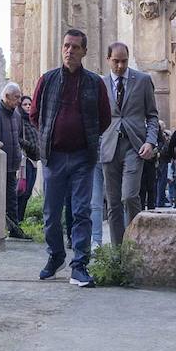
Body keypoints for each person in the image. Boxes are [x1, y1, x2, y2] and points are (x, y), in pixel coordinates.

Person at [28, 29, 111, 288]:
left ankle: (79, 265)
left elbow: (104, 118)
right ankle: (56, 257)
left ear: (84, 51)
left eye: (75, 47)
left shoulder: (93, 83)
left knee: (81, 211)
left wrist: (87, 138)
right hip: (54, 157)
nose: (70, 51)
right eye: (66, 46)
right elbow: (34, 114)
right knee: (51, 213)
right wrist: (48, 138)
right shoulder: (48, 80)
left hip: (82, 159)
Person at [99, 42, 158, 246]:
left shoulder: (142, 80)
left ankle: (136, 245)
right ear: (108, 60)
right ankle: (118, 254)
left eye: (124, 61)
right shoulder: (101, 83)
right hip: (109, 147)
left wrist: (151, 142)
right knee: (113, 204)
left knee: (130, 196)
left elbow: (152, 116)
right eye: (116, 61)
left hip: (135, 146)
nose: (120, 66)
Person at [0, 82, 27, 238]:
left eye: (19, 97)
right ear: (6, 97)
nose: (19, 101)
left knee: (12, 198)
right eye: (16, 97)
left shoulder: (17, 115)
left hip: (13, 163)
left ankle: (14, 229)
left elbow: (18, 137)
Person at [15, 95, 38, 225]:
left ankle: (20, 221)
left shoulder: (33, 121)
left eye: (30, 104)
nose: (28, 107)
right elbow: (17, 138)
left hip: (34, 160)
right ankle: (17, 221)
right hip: (25, 160)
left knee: (28, 193)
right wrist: (30, 145)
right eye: (25, 104)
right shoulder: (19, 120)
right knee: (22, 191)